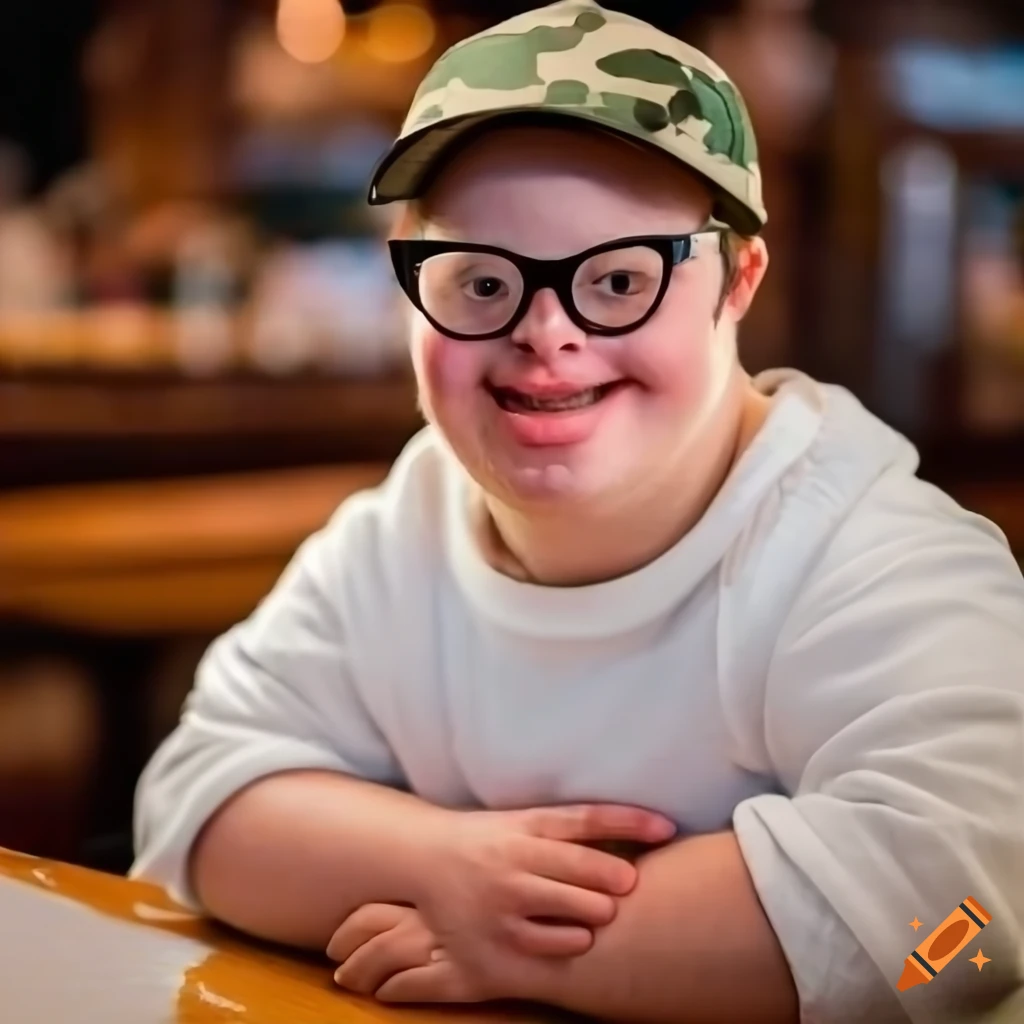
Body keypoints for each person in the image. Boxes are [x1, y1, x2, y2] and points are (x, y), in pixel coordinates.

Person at [131, 3, 1024, 1022]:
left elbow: (954, 931)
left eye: (617, 280)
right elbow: (191, 808)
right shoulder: (400, 535)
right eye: (478, 281)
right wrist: (449, 863)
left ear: (736, 281)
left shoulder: (867, 552)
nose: (545, 333)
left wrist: (524, 952)